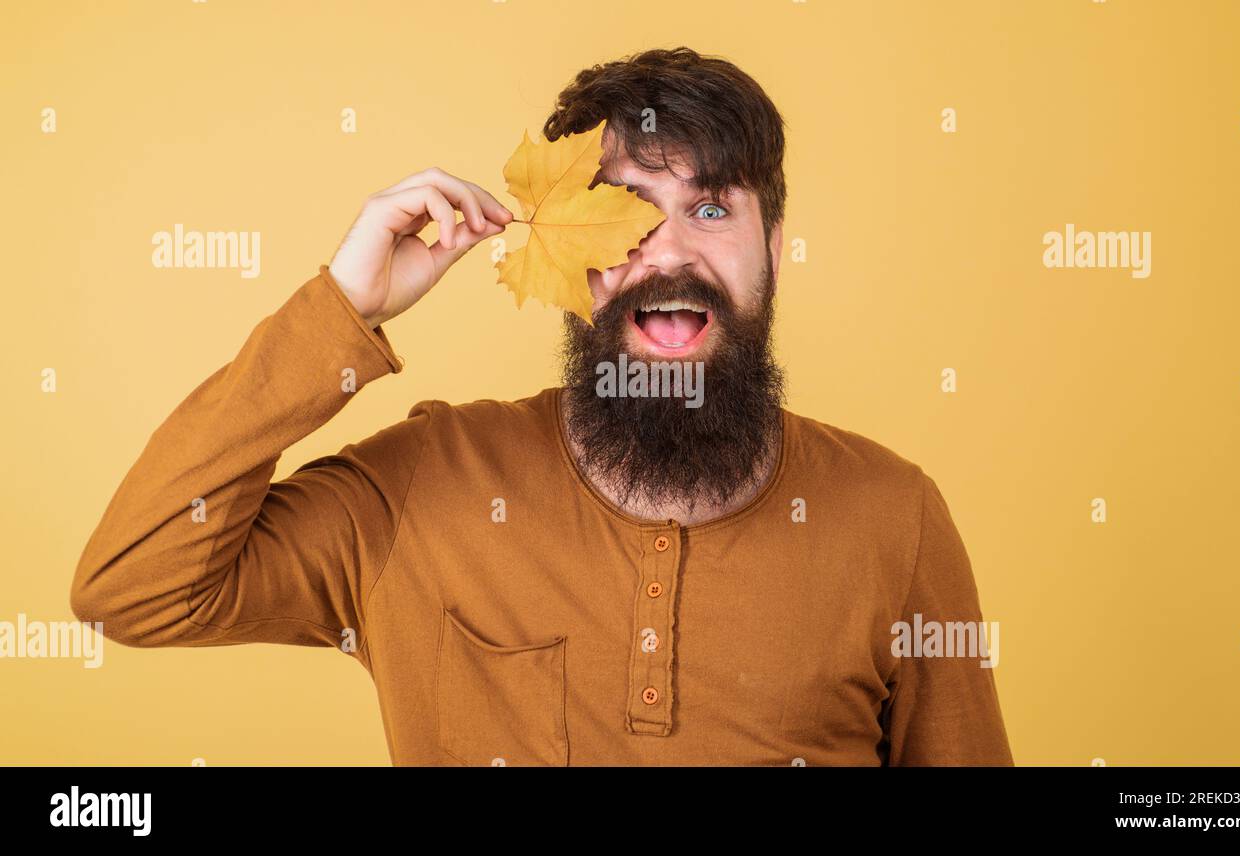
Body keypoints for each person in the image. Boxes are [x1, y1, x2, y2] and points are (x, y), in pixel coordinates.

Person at [71, 47, 1013, 766]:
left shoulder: (897, 517)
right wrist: (341, 314)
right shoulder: (426, 484)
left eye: (715, 210)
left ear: (776, 246)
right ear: (562, 247)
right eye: (626, 210)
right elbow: (133, 588)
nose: (671, 252)